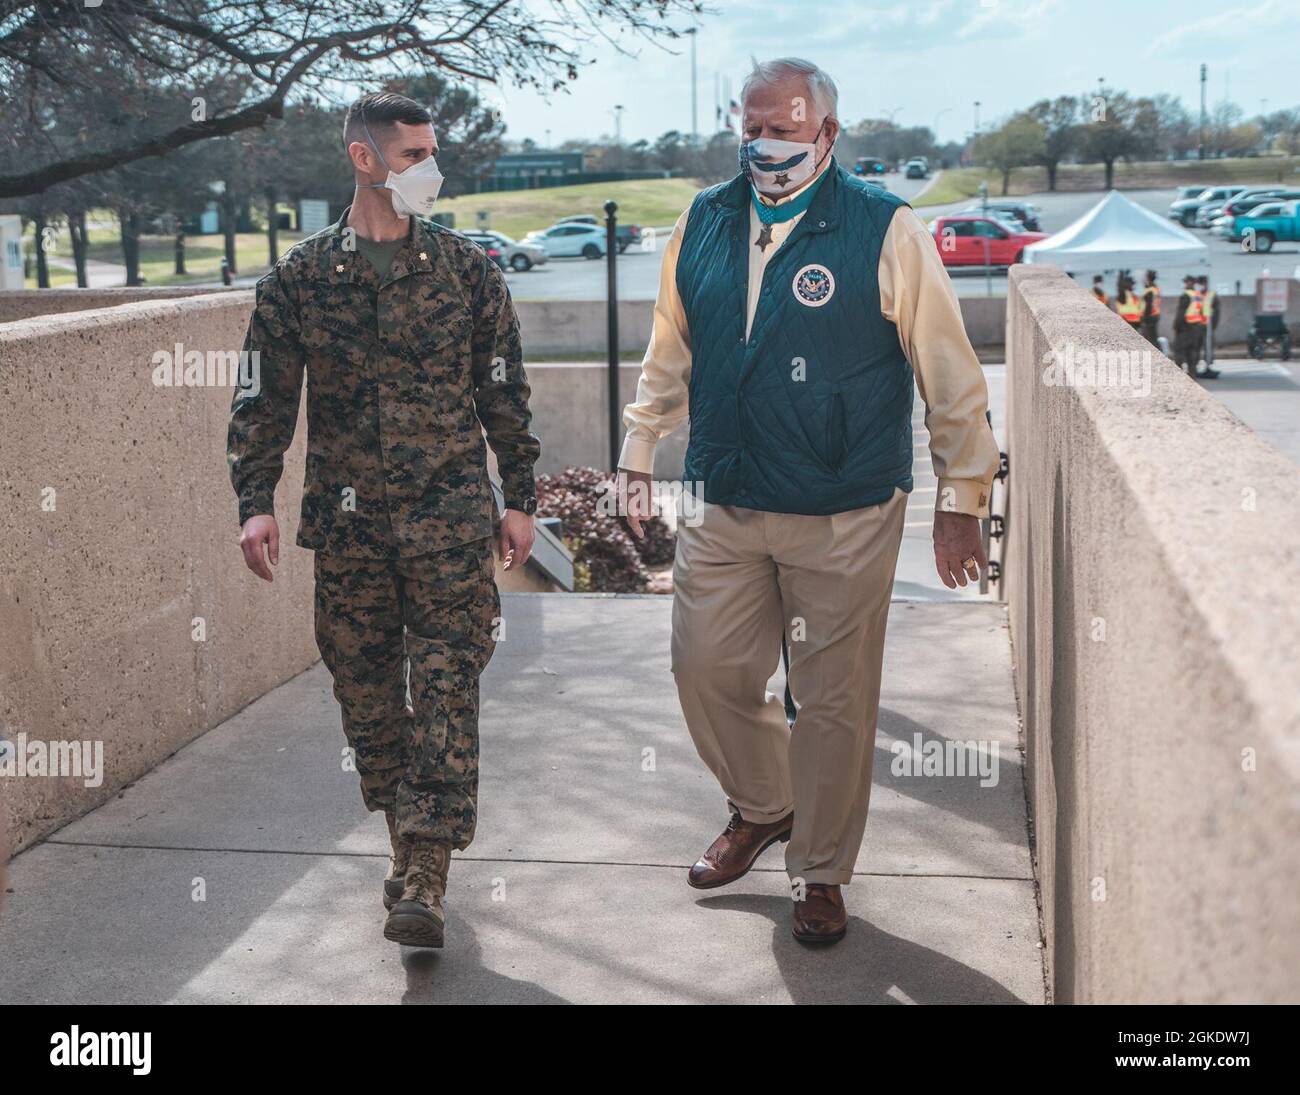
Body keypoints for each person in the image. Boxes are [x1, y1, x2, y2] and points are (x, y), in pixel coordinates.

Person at [618, 58, 998, 945]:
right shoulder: (705, 220)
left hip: (844, 503)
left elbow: (949, 370)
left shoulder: (883, 226)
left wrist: (963, 496)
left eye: (786, 128)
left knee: (830, 698)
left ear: (828, 133)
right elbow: (670, 346)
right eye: (753, 125)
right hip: (722, 489)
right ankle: (765, 803)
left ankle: (821, 869)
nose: (766, 142)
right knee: (704, 670)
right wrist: (640, 449)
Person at [227, 91, 541, 950]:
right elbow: (262, 399)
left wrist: (519, 496)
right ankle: (407, 840)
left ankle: (427, 866)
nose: (429, 169)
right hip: (351, 529)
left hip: (448, 523)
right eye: (412, 155)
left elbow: (503, 391)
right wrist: (255, 499)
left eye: (431, 153)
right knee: (367, 699)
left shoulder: (469, 272)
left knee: (445, 686)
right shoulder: (297, 279)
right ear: (365, 160)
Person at [1197, 274, 1221, 379]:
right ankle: (1194, 367)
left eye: (1203, 283)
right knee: (1195, 347)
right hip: (1196, 325)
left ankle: (1207, 366)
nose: (1202, 285)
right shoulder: (1196, 294)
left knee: (1208, 347)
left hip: (1207, 325)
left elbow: (1216, 312)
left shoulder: (1212, 295)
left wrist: (1213, 326)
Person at [1140, 269, 1161, 345]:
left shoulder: (1149, 291)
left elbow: (1148, 305)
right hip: (1155, 314)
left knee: (1149, 339)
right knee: (1153, 337)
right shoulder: (1155, 288)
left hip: (1149, 316)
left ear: (1147, 278)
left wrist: (1145, 318)